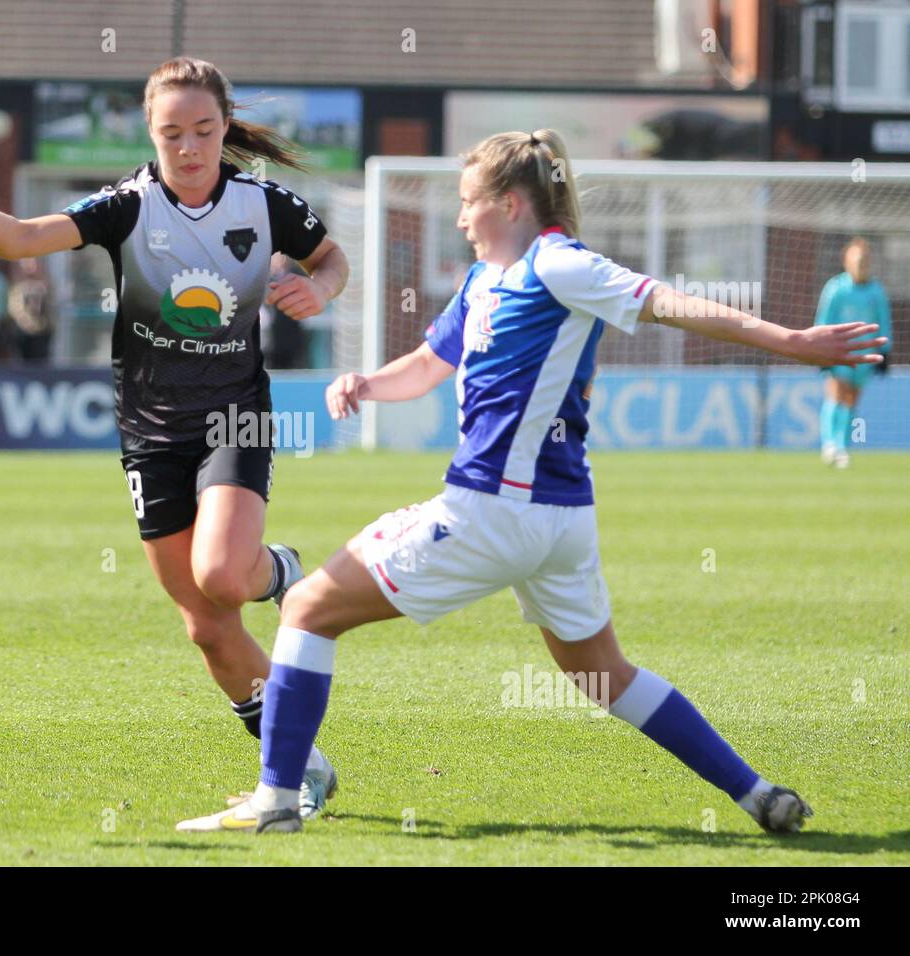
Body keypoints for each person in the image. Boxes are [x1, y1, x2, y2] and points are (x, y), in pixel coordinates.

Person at [184, 129, 886, 835]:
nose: (460, 220)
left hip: (492, 512)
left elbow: (673, 304)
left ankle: (277, 797)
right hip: (561, 525)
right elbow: (430, 364)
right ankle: (757, 794)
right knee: (605, 675)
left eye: (468, 204)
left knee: (305, 606)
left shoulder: (560, 263)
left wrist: (793, 341)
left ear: (512, 203)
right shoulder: (485, 279)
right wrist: (368, 383)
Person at [0, 56, 351, 825]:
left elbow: (331, 259)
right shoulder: (129, 205)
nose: (188, 148)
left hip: (235, 413)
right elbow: (23, 239)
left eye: (202, 130)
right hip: (151, 431)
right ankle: (302, 768)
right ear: (149, 134)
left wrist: (317, 289)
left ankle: (276, 570)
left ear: (224, 127)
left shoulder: (263, 205)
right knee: (204, 625)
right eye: (171, 133)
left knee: (224, 578)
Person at [814, 237, 893, 469]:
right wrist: (820, 348)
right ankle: (830, 445)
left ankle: (842, 446)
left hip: (865, 354)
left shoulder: (876, 291)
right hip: (838, 351)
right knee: (836, 393)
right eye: (857, 261)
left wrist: (885, 351)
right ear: (846, 261)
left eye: (865, 261)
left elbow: (884, 321)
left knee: (852, 398)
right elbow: (824, 318)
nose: (861, 266)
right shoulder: (836, 288)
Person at [7, 258, 54, 362]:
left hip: (41, 335)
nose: (30, 265)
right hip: (21, 336)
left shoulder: (46, 286)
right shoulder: (17, 288)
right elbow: (15, 311)